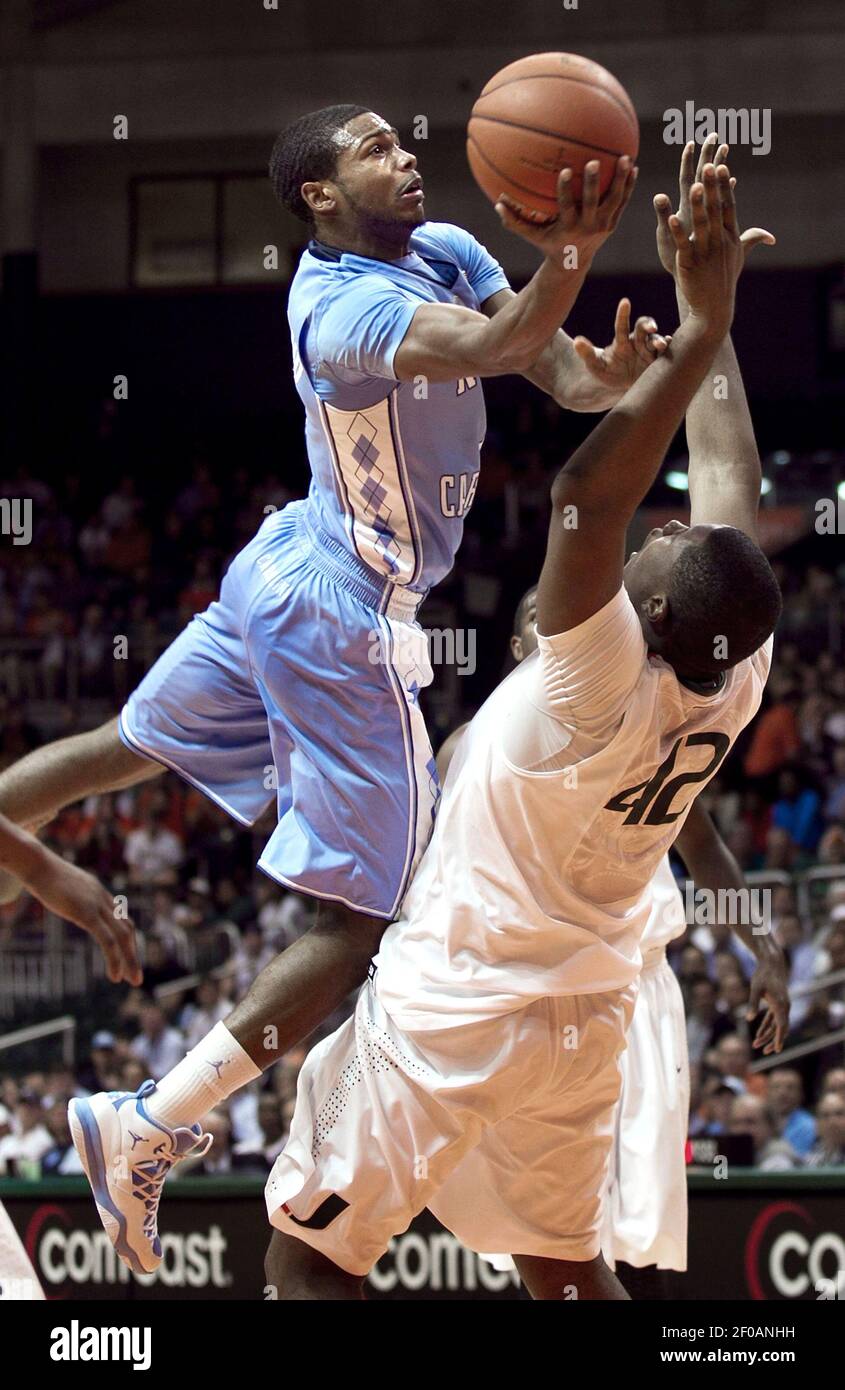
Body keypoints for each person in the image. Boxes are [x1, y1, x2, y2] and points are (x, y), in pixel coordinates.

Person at [74, 149, 781, 1293]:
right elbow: (729, 490)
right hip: (584, 1017)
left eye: (664, 545)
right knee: (563, 1269)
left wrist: (702, 326)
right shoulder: (729, 671)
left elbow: (581, 500)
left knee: (309, 1249)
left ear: (643, 606)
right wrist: (712, 321)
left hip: (454, 1004)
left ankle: (155, 1117)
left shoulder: (590, 672)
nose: (665, 527)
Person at [0, 106, 663, 1105]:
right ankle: (152, 1121)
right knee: (370, 909)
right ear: (317, 194)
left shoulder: (441, 244)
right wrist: (572, 245)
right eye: (374, 152)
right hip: (340, 607)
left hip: (287, 565)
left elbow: (552, 364)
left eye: (402, 143)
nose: (404, 160)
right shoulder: (338, 311)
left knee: (118, 748)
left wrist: (601, 375)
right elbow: (494, 341)